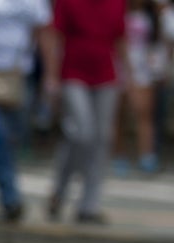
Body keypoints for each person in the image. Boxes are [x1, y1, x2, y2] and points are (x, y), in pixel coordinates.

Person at [48, 0, 128, 224]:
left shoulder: (117, 3)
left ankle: (89, 205)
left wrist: (128, 75)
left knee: (102, 138)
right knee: (81, 134)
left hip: (106, 74)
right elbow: (56, 37)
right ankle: (60, 190)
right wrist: (51, 76)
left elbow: (121, 39)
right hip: (73, 72)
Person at [0, 0, 58, 222]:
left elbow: (44, 34)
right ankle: (8, 196)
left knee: (9, 138)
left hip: (18, 75)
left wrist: (50, 75)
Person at [112, 0, 165, 175]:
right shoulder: (117, 11)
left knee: (144, 113)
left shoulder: (152, 15)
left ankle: (147, 157)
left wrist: (157, 69)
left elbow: (157, 44)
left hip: (143, 69)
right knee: (119, 116)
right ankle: (119, 156)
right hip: (118, 67)